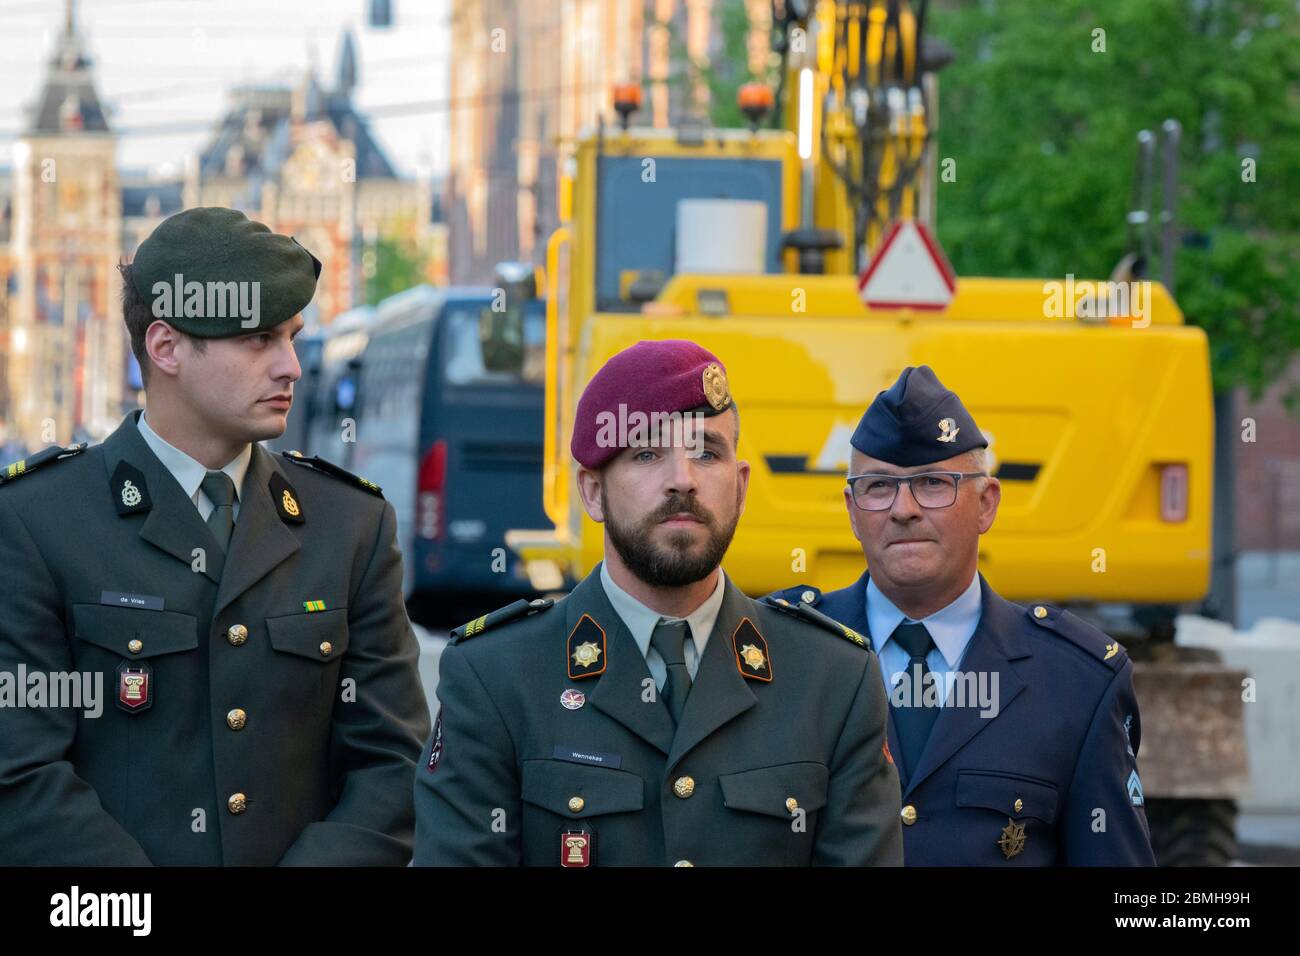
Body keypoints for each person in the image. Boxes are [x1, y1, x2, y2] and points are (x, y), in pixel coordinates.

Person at [0, 207, 430, 865]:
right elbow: (21, 775)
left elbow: (392, 765)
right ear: (166, 347)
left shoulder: (350, 526)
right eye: (259, 339)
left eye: (292, 337)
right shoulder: (37, 523)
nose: (292, 366)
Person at [414, 339, 902, 866]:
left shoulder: (833, 679)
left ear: (740, 488)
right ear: (593, 492)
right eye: (647, 452)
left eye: (707, 453)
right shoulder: (495, 677)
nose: (682, 481)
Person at [771, 365, 1155, 865]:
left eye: (933, 483)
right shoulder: (780, 654)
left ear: (986, 504)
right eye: (878, 487)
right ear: (851, 508)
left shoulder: (1077, 681)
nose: (903, 509)